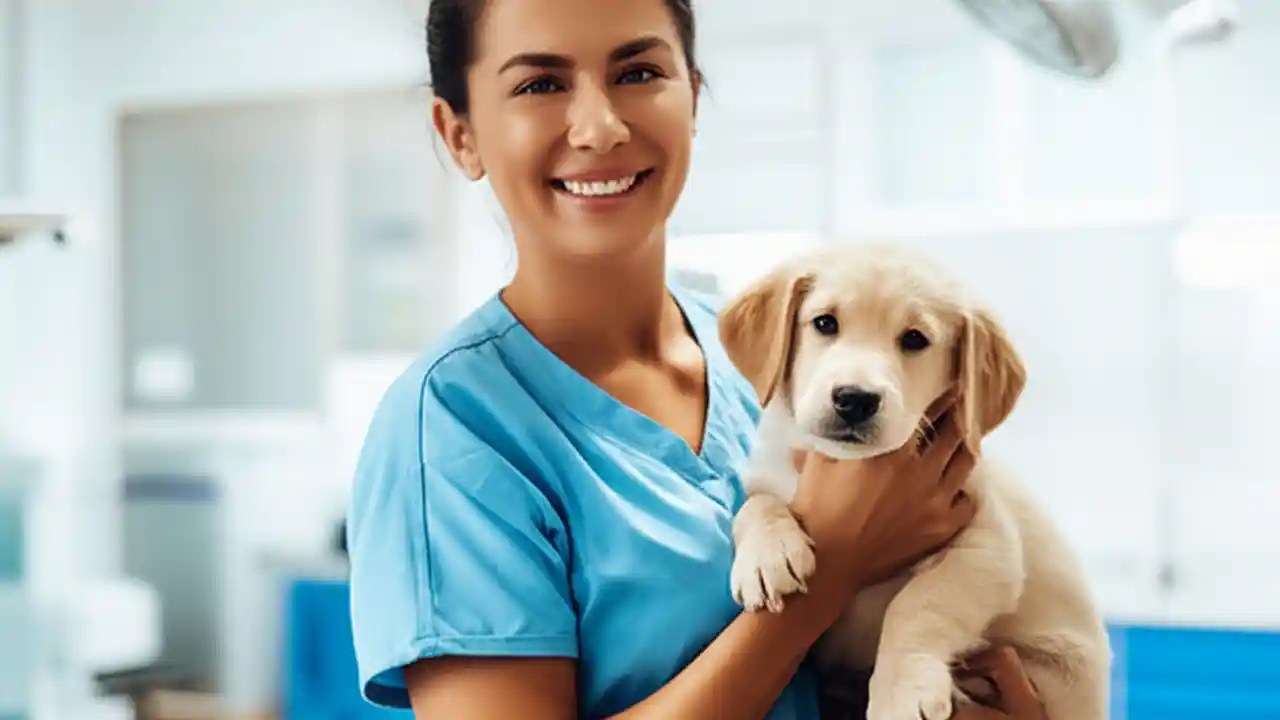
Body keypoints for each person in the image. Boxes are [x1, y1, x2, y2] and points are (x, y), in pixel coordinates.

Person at [344, 0, 1050, 717]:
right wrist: (826, 577)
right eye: (540, 85)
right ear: (460, 134)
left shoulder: (774, 346)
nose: (600, 127)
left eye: (640, 71)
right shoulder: (454, 428)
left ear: (694, 98)